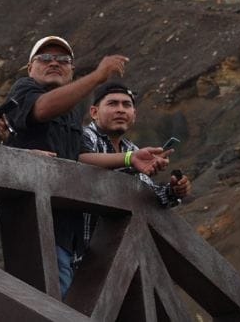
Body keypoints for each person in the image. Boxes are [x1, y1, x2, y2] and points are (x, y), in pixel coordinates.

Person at [4, 35, 129, 298]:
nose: (54, 63)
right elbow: (40, 109)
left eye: (63, 60)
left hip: (68, 230)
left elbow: (81, 157)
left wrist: (130, 160)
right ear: (30, 68)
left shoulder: (71, 111)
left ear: (71, 70)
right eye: (45, 58)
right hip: (34, 223)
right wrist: (97, 76)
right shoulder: (23, 89)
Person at [79, 82, 192, 250]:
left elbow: (147, 194)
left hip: (116, 251)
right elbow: (80, 166)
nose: (121, 110)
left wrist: (174, 191)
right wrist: (129, 161)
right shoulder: (84, 136)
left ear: (134, 114)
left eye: (127, 105)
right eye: (112, 103)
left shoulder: (131, 149)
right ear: (94, 112)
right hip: (81, 248)